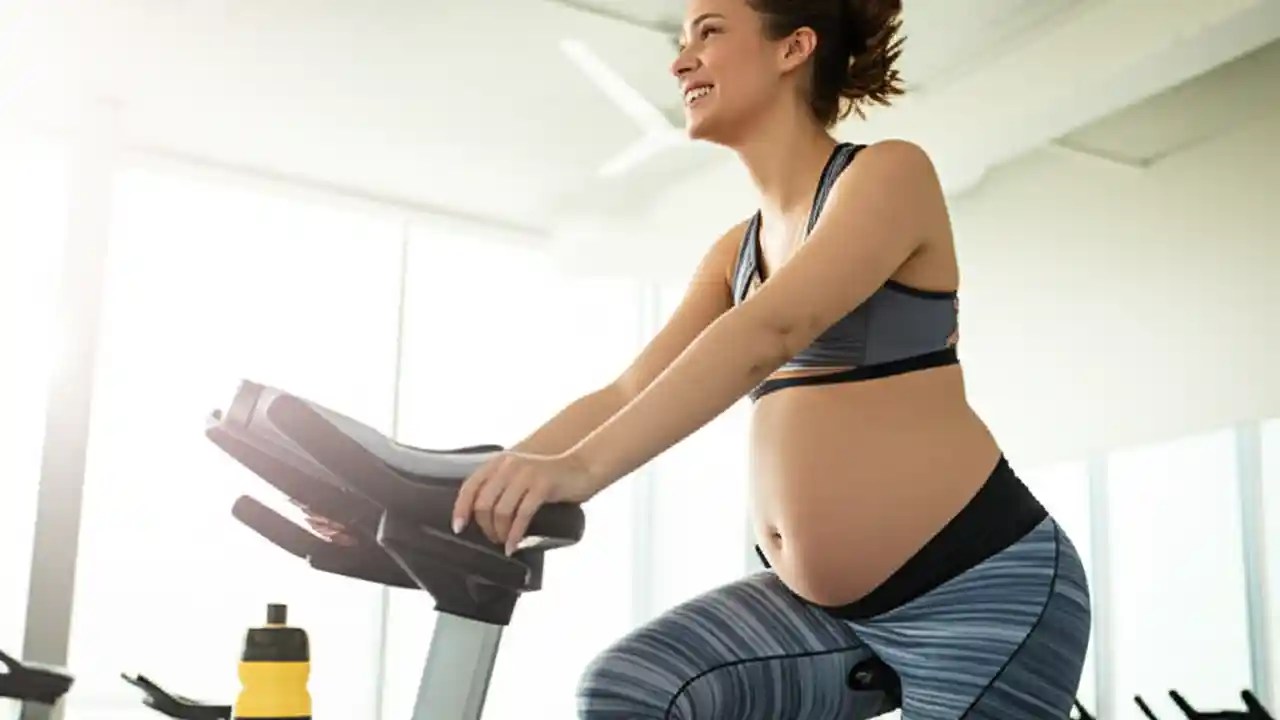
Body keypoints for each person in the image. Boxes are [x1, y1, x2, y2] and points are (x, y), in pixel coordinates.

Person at [317, 0, 1093, 716]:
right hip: (828, 611)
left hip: (983, 590)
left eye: (710, 32)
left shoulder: (888, 174)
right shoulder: (736, 252)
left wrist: (579, 471)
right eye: (683, 40)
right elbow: (629, 390)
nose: (680, 59)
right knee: (634, 689)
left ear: (794, 48)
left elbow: (773, 330)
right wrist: (443, 501)